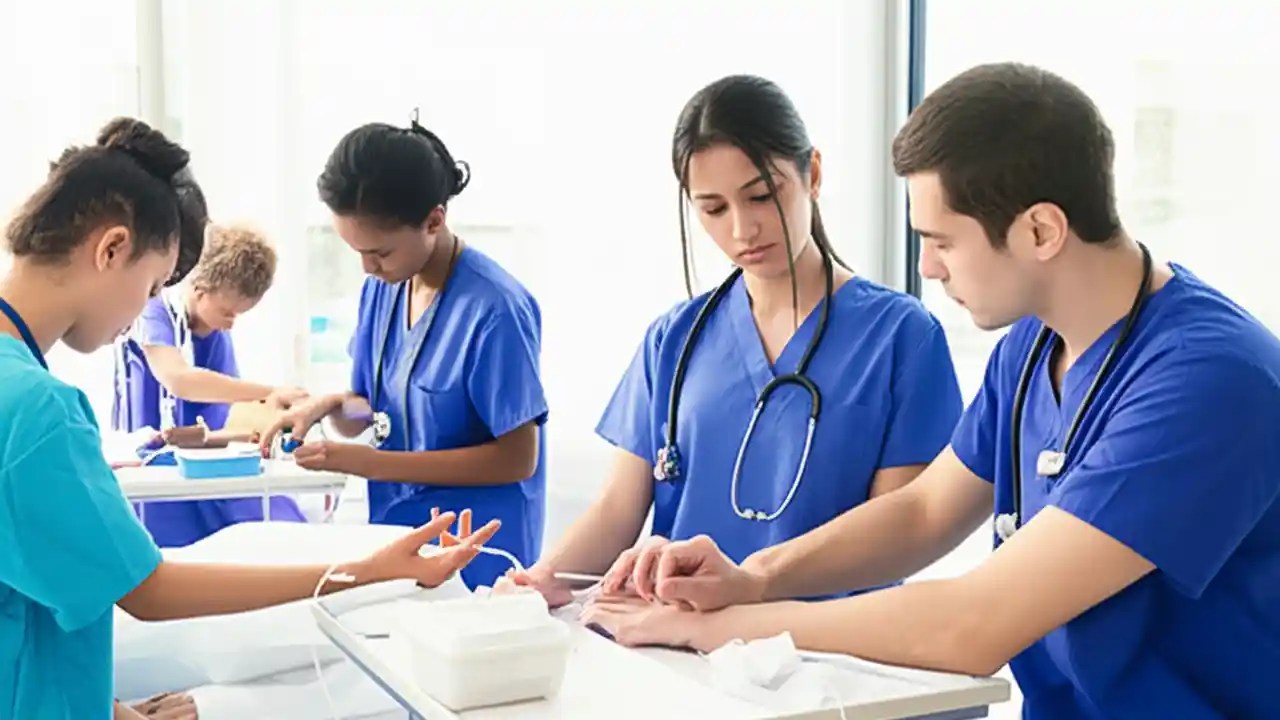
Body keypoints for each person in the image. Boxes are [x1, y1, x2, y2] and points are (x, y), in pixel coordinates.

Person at [579, 62, 1280, 720]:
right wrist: (752, 576)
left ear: (1040, 229)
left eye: (942, 240)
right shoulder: (1033, 348)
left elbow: (973, 624)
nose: (928, 266)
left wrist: (718, 630)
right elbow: (924, 512)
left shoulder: (1209, 381)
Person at [0, 117, 499, 719]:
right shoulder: (35, 410)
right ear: (112, 249)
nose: (143, 311)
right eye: (154, 285)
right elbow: (149, 592)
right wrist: (362, 572)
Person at [508, 74, 963, 608]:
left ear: (812, 174)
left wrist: (758, 583)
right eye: (714, 208)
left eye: (762, 195)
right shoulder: (673, 340)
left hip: (830, 660)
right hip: (681, 645)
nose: (743, 229)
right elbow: (617, 511)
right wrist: (540, 583)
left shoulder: (900, 337)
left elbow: (903, 530)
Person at [258, 115, 548, 590]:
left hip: (477, 549)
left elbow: (518, 459)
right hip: (401, 536)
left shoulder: (494, 309)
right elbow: (369, 412)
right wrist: (325, 407)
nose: (367, 267)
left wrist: (371, 464)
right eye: (356, 252)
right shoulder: (386, 287)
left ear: (435, 219)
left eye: (379, 252)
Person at [113, 222, 309, 547]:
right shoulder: (154, 311)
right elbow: (179, 381)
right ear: (199, 289)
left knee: (281, 529)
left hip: (211, 462)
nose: (230, 323)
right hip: (158, 467)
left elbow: (222, 416)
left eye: (239, 316)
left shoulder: (215, 334)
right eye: (227, 312)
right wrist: (270, 392)